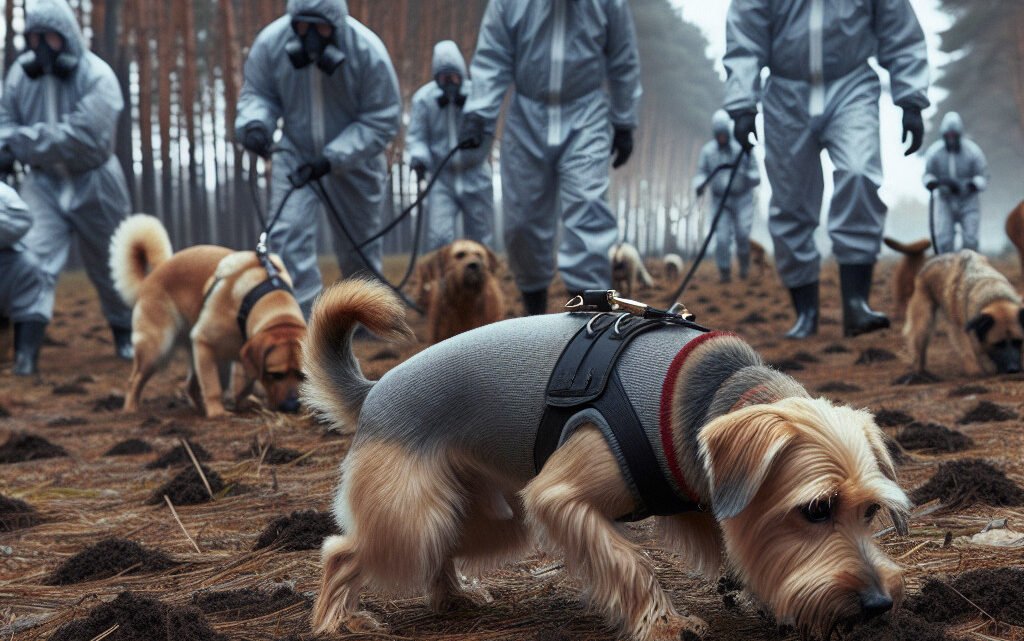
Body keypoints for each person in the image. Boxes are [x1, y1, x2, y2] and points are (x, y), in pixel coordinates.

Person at [724, 0, 930, 339]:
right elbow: (744, 35)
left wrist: (911, 98)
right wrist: (742, 103)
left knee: (859, 173)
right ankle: (805, 312)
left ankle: (856, 303)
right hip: (785, 91)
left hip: (852, 83)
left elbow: (900, 31)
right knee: (790, 200)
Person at [459, 0, 641, 315]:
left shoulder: (609, 4)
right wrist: (479, 112)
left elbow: (623, 58)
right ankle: (534, 307)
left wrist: (624, 120)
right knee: (522, 221)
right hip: (527, 115)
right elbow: (493, 56)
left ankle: (590, 315)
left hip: (586, 114)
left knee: (588, 204)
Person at [236, 0, 401, 318]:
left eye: (321, 28)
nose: (311, 37)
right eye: (302, 26)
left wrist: (331, 158)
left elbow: (382, 118)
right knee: (287, 236)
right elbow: (258, 94)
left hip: (355, 160)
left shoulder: (367, 51)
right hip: (295, 157)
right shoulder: (271, 44)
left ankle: (363, 317)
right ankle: (304, 321)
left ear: (337, 24)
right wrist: (255, 124)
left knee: (359, 247)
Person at [0, 0, 134, 359]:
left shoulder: (98, 76)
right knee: (33, 257)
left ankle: (126, 333)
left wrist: (19, 143)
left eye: (50, 37)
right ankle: (26, 349)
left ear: (68, 36)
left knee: (111, 263)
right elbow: (4, 120)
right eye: (34, 38)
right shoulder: (19, 77)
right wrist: (6, 146)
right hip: (42, 184)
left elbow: (84, 135)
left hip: (96, 180)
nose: (41, 46)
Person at [406, 40, 494, 252]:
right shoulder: (424, 100)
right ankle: (444, 272)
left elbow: (491, 123)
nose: (450, 83)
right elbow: (417, 136)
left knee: (480, 237)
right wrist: (419, 158)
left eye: (453, 77)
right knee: (439, 237)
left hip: (476, 174)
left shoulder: (478, 97)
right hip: (441, 179)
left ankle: (481, 272)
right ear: (436, 78)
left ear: (462, 74)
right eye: (444, 78)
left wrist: (479, 135)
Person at [693, 110, 761, 283]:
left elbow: (756, 174)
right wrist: (700, 184)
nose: (721, 137)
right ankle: (724, 272)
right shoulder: (708, 151)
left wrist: (747, 175)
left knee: (742, 234)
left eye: (724, 133)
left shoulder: (743, 149)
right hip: (720, 201)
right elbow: (701, 173)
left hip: (743, 199)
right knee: (722, 237)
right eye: (718, 134)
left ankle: (744, 267)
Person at [0, 183, 48, 376]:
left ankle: (25, 356)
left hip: (10, 260)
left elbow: (22, 218)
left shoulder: (3, 192)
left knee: (30, 269)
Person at [923, 112, 988, 254]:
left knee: (971, 240)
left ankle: (969, 262)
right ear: (943, 135)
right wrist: (934, 182)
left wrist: (972, 184)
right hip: (944, 200)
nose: (951, 139)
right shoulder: (934, 152)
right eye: (948, 136)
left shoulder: (973, 152)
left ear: (960, 135)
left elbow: (983, 175)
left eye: (954, 135)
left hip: (968, 200)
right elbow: (927, 174)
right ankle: (947, 265)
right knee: (944, 240)